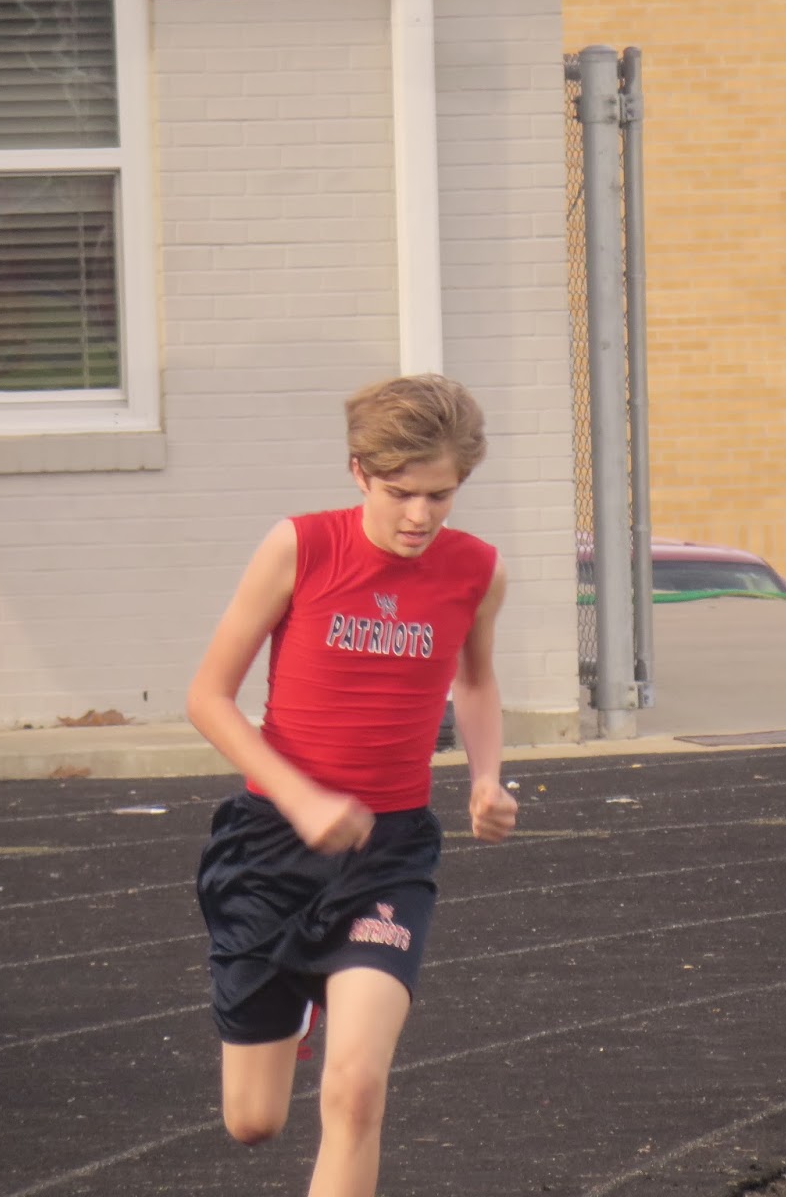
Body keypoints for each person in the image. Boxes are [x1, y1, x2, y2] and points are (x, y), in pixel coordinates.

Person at [186, 373, 517, 1196]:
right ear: (359, 472)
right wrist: (298, 796)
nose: (420, 516)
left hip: (387, 852)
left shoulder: (476, 571)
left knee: (355, 1088)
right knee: (252, 1121)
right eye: (402, 492)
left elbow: (474, 682)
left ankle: (333, 1000)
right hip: (270, 846)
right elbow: (207, 697)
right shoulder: (301, 547)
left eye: (439, 496)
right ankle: (297, 1004)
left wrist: (486, 778)